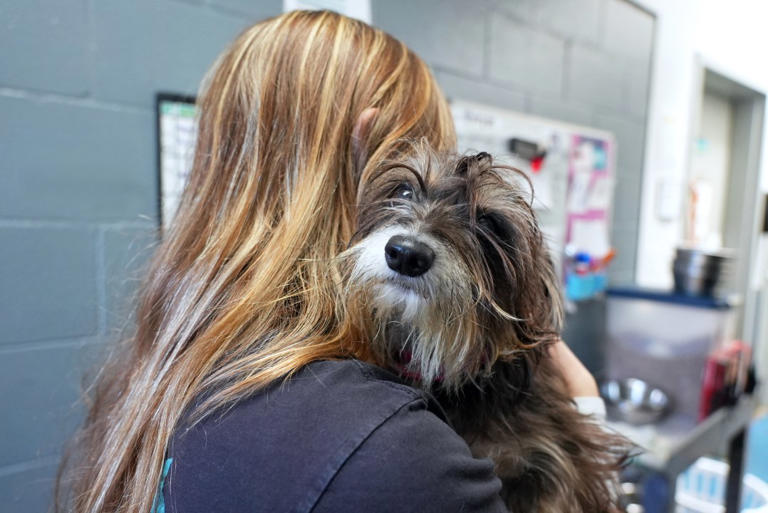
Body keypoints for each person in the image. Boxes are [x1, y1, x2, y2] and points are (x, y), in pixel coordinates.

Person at [57, 10, 604, 513]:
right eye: (407, 170)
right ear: (365, 138)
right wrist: (587, 411)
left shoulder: (166, 369)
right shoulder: (390, 452)